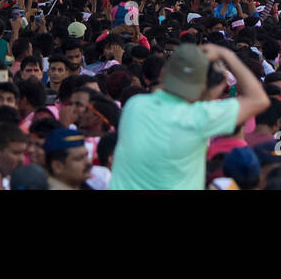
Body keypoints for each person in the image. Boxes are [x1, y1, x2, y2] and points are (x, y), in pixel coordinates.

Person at [109, 43, 267, 190]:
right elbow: (259, 99)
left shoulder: (135, 105)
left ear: (163, 73)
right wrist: (226, 54)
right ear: (205, 85)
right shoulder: (198, 117)